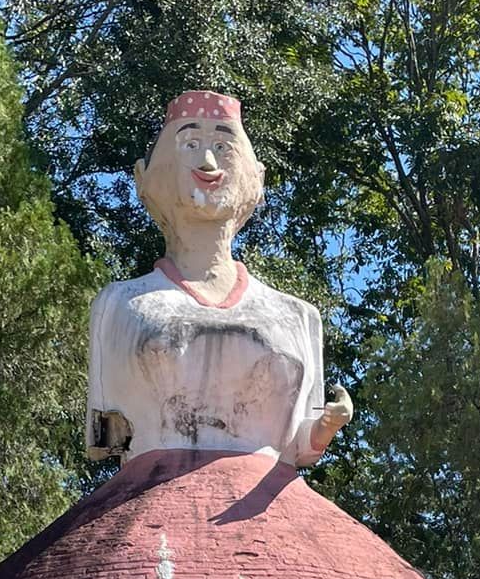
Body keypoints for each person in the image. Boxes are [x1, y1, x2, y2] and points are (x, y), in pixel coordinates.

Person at [87, 90, 354, 466]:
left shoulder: (298, 315)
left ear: (256, 177)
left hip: (265, 506)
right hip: (154, 501)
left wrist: (327, 425)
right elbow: (108, 437)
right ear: (144, 178)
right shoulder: (118, 304)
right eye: (191, 144)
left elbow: (300, 447)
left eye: (224, 147)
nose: (208, 162)